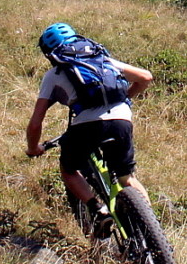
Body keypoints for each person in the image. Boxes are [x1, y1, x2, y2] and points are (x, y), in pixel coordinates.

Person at [24, 23, 154, 233]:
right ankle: (151, 229)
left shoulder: (54, 74)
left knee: (69, 170)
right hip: (121, 120)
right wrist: (124, 99)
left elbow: (35, 123)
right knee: (126, 178)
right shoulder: (102, 60)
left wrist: (33, 148)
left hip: (86, 126)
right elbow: (145, 77)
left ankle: (98, 209)